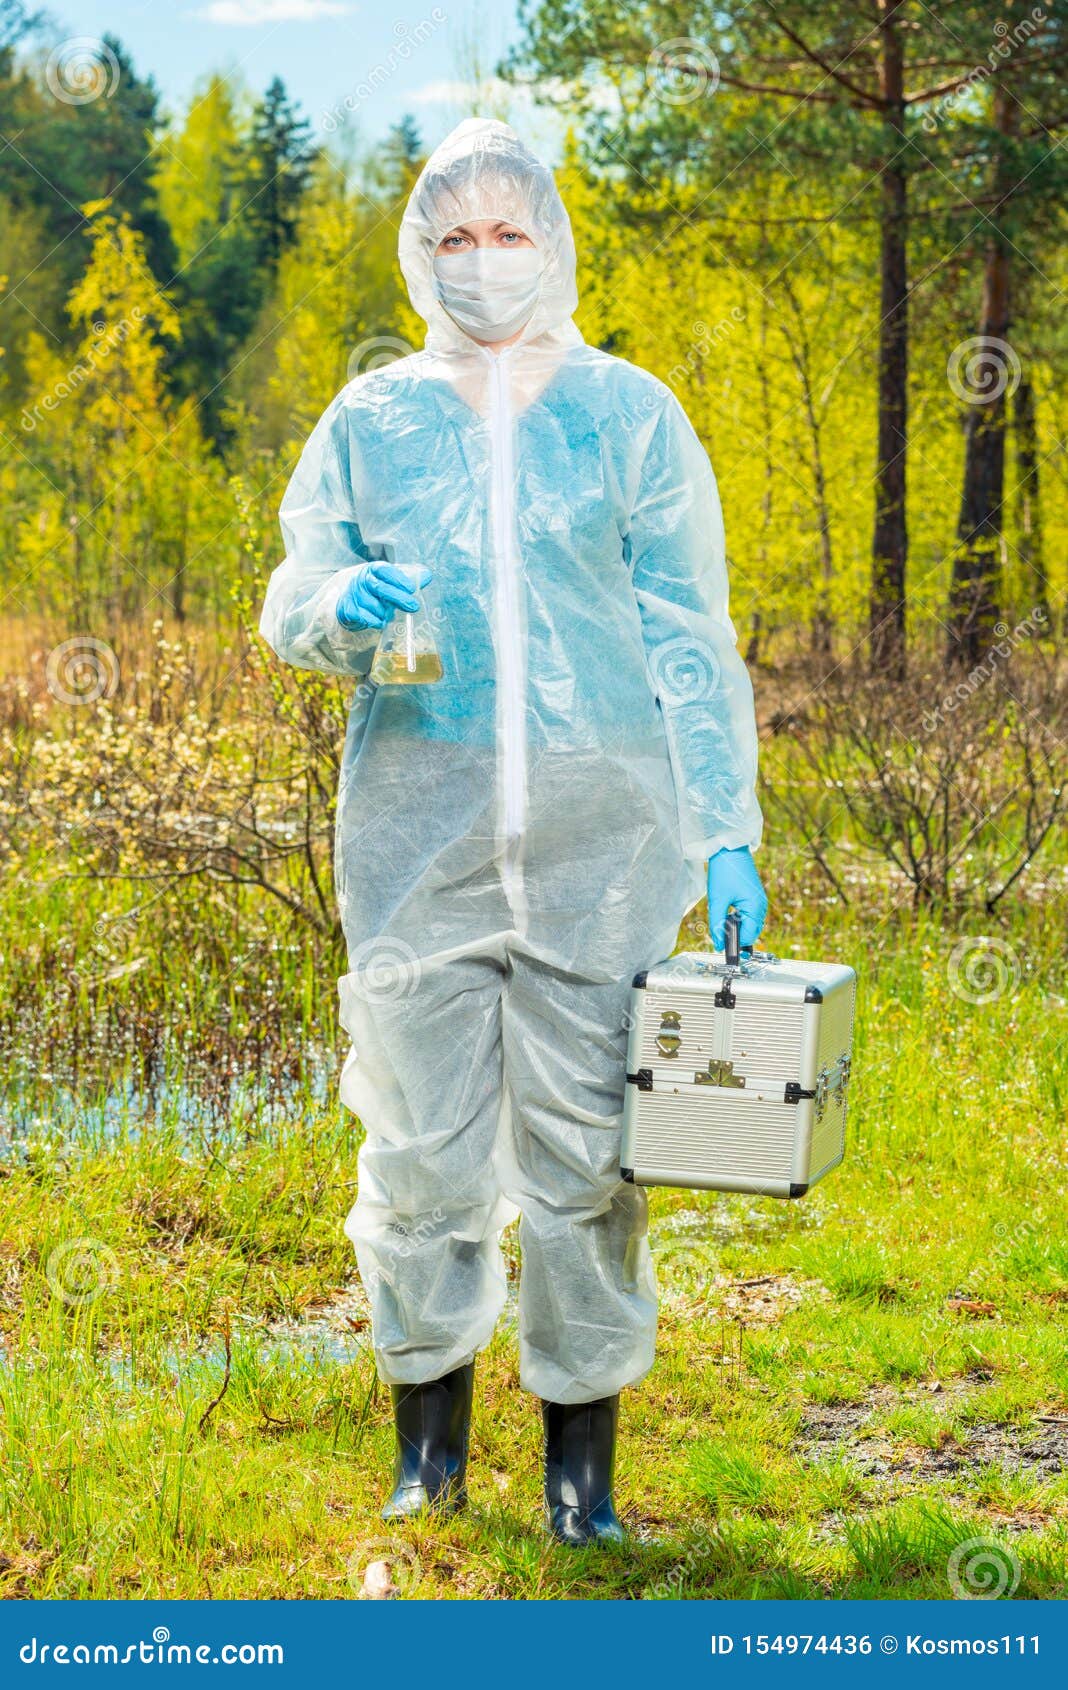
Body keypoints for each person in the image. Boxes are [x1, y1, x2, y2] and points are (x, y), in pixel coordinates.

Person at [260, 118, 767, 1546]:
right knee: (419, 1150)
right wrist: (333, 605)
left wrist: (724, 827)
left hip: (606, 848)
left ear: (553, 240)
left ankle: (579, 1480)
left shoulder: (629, 415)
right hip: (417, 842)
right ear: (419, 254)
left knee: (589, 1159)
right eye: (456, 235)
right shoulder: (372, 417)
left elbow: (689, 632)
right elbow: (296, 581)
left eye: (508, 230)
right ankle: (428, 1457)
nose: (484, 258)